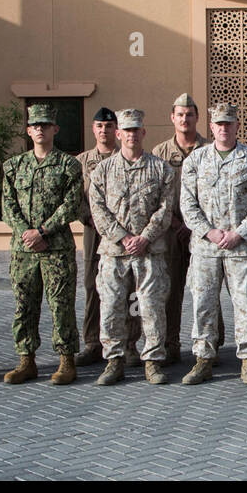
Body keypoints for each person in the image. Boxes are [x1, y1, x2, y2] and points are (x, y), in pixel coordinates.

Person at [179, 103, 247, 386]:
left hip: (241, 249)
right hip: (206, 248)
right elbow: (187, 204)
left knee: (244, 304)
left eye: (228, 123)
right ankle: (204, 359)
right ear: (211, 127)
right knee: (203, 303)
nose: (223, 128)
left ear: (237, 126)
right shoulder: (195, 160)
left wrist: (238, 233)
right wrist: (209, 232)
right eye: (218, 124)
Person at [89, 108, 176, 385]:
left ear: (143, 132)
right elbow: (98, 209)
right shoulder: (103, 170)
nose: (131, 135)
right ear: (118, 134)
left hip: (149, 251)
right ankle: (114, 361)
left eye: (136, 130)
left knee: (150, 308)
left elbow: (166, 208)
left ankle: (152, 360)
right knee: (113, 307)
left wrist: (145, 237)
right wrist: (123, 237)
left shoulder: (160, 168)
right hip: (114, 252)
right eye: (126, 131)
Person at [0, 104, 84, 385]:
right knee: (24, 304)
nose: (40, 129)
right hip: (23, 250)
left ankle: (66, 361)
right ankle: (26, 360)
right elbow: (7, 206)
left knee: (61, 304)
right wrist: (26, 232)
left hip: (56, 248)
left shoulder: (68, 165)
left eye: (45, 125)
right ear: (28, 130)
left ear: (55, 129)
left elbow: (71, 205)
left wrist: (43, 231)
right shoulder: (13, 166)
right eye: (35, 125)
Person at [75, 107, 141, 366]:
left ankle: (131, 342)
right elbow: (76, 199)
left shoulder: (127, 157)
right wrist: (90, 218)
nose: (104, 131)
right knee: (93, 286)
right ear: (93, 129)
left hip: (128, 233)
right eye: (99, 126)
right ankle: (93, 341)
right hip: (95, 233)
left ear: (118, 130)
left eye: (109, 126)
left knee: (133, 290)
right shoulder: (81, 161)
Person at [151, 93, 209, 365]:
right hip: (170, 231)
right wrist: (176, 223)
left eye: (190, 114)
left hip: (202, 232)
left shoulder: (210, 150)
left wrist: (196, 224)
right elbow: (153, 195)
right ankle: (170, 342)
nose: (185, 119)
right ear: (172, 118)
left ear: (197, 117)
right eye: (180, 114)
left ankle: (211, 343)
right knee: (169, 290)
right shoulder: (159, 154)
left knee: (206, 288)